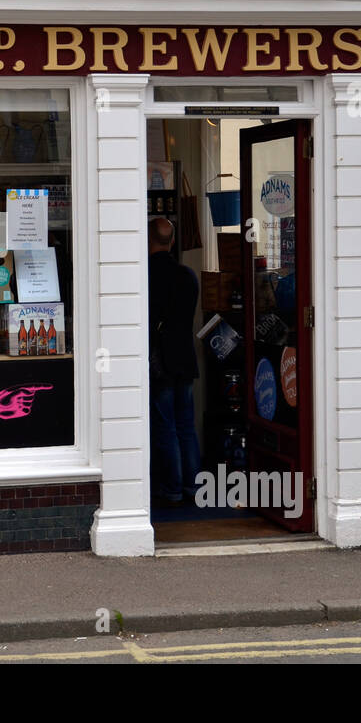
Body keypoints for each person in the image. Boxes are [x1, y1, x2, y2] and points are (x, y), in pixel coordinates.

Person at [147, 217, 201, 506]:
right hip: (185, 357)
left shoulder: (147, 276)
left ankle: (172, 488)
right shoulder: (188, 276)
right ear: (172, 241)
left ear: (149, 239)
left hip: (161, 359)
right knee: (186, 425)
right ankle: (193, 485)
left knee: (165, 425)